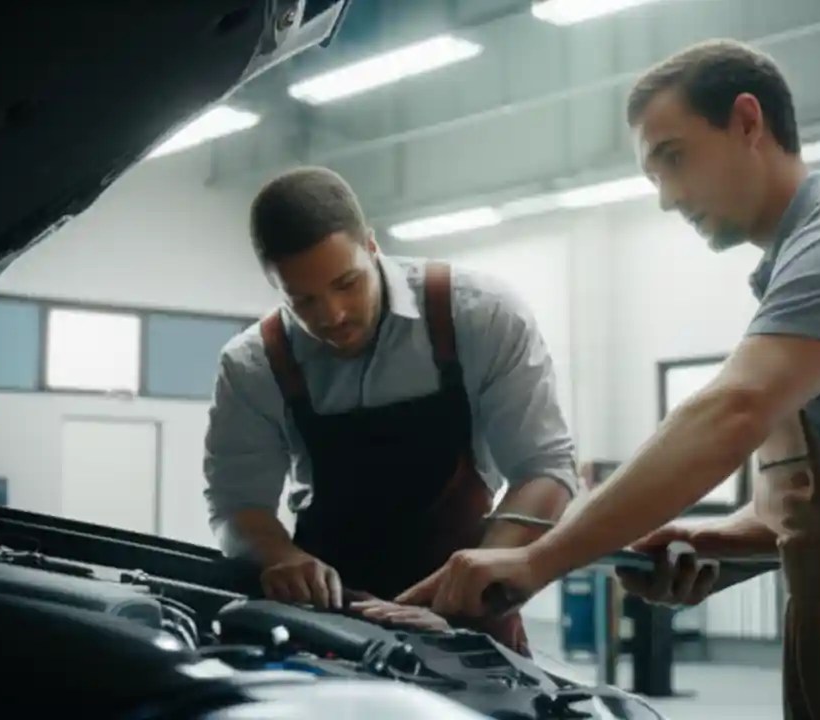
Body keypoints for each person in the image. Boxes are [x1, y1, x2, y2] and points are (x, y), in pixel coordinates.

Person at [398, 40, 820, 718]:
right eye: (653, 176)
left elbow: (729, 412)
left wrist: (541, 559)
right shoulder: (794, 274)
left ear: (748, 122)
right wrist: (718, 542)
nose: (668, 198)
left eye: (674, 158)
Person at [203, 166, 576, 654]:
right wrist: (279, 557)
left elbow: (544, 468)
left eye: (347, 282)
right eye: (303, 300)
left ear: (372, 246)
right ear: (275, 286)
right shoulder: (253, 364)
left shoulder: (481, 315)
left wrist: (475, 577)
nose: (331, 314)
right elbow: (237, 505)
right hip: (333, 623)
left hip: (471, 618)